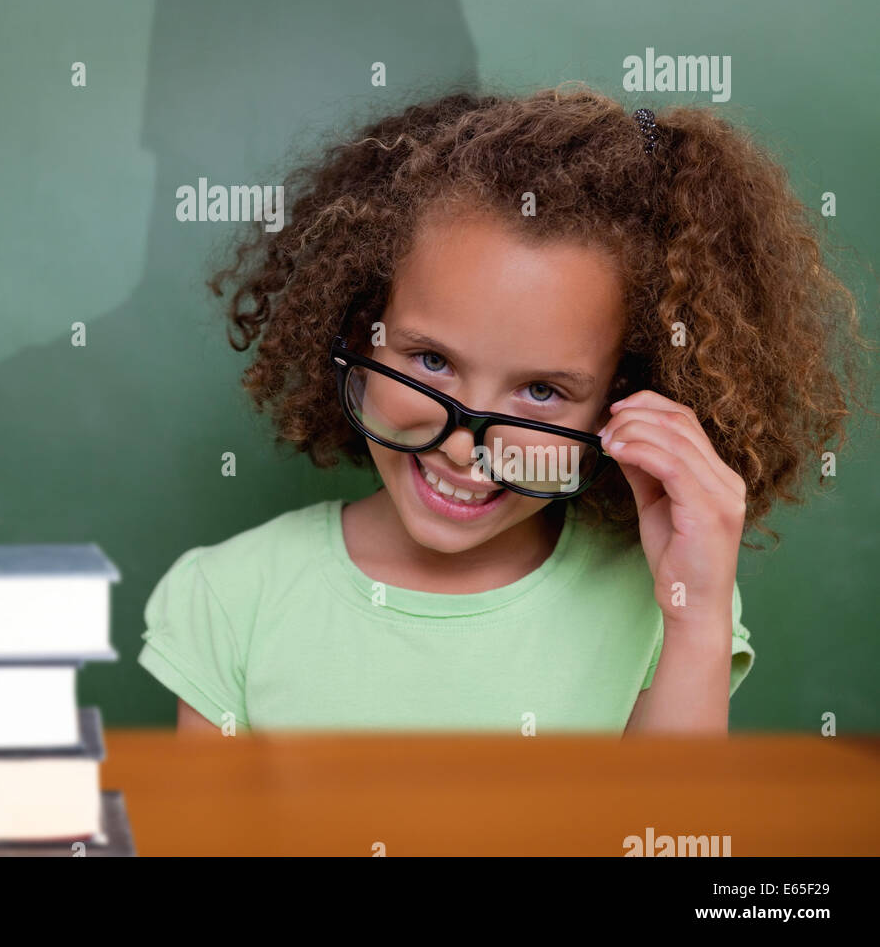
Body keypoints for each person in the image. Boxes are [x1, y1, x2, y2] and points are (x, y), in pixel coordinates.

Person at [137, 83, 868, 735]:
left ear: (622, 403)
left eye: (542, 391)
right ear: (363, 330)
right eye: (431, 360)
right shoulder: (228, 599)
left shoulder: (664, 603)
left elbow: (673, 834)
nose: (464, 447)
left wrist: (696, 616)